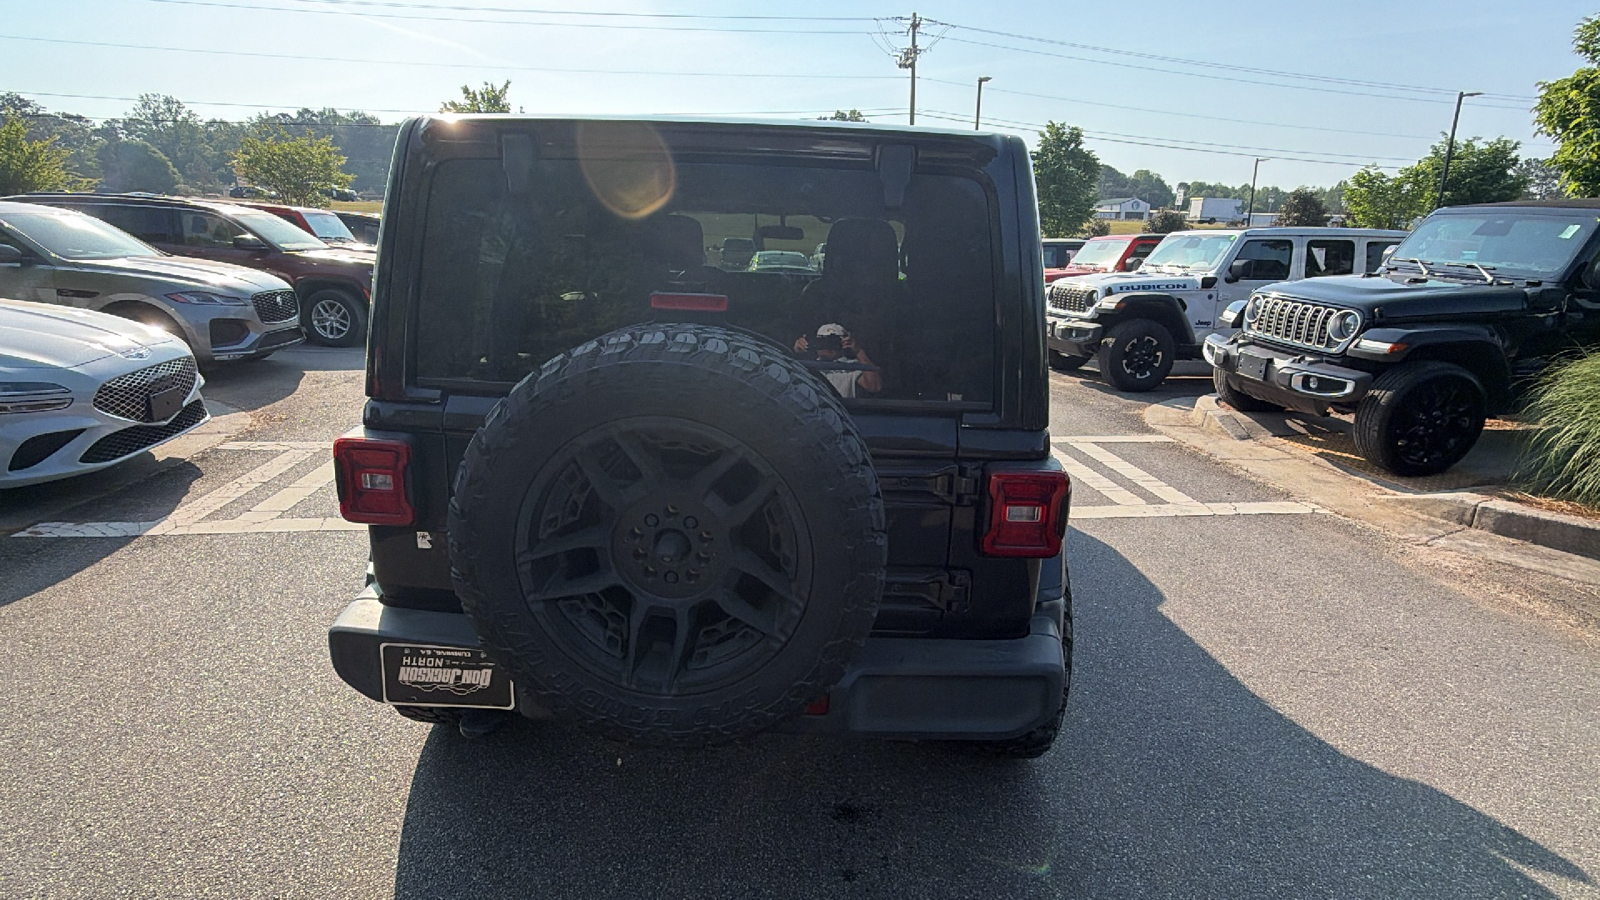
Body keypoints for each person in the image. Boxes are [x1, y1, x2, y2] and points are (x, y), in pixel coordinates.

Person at [793, 323, 882, 398]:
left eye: (832, 341)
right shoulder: (807, 366)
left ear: (844, 343)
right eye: (822, 340)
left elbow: (874, 387)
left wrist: (858, 351)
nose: (827, 346)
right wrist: (796, 355)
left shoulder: (851, 367)